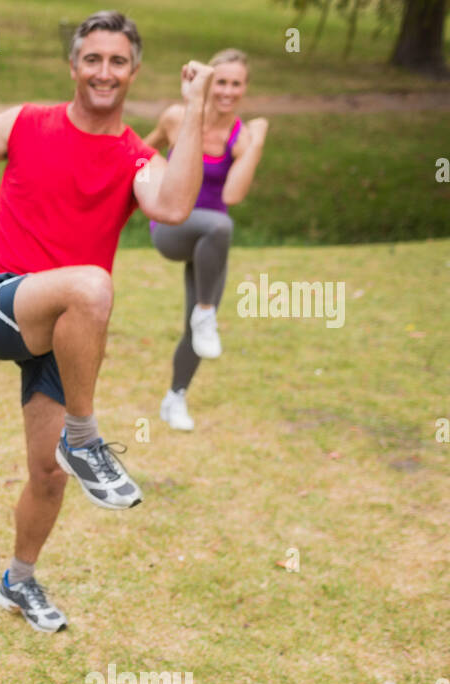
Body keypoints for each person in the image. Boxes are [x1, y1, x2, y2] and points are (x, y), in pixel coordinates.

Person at [0, 10, 212, 632]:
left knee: (48, 475)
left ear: (133, 71)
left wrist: (195, 105)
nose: (104, 71)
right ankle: (87, 436)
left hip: (68, 330)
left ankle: (18, 578)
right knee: (94, 286)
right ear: (74, 66)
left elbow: (175, 203)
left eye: (117, 61)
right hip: (0, 302)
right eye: (92, 59)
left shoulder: (134, 158)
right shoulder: (28, 124)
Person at [145, 48, 268, 431]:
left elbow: (232, 195)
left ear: (244, 89)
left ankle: (175, 397)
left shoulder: (241, 138)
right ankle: (206, 312)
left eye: (236, 83)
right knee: (222, 228)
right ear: (209, 83)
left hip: (209, 242)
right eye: (222, 82)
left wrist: (256, 145)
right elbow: (140, 154)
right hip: (171, 228)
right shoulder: (177, 118)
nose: (228, 90)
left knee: (197, 330)